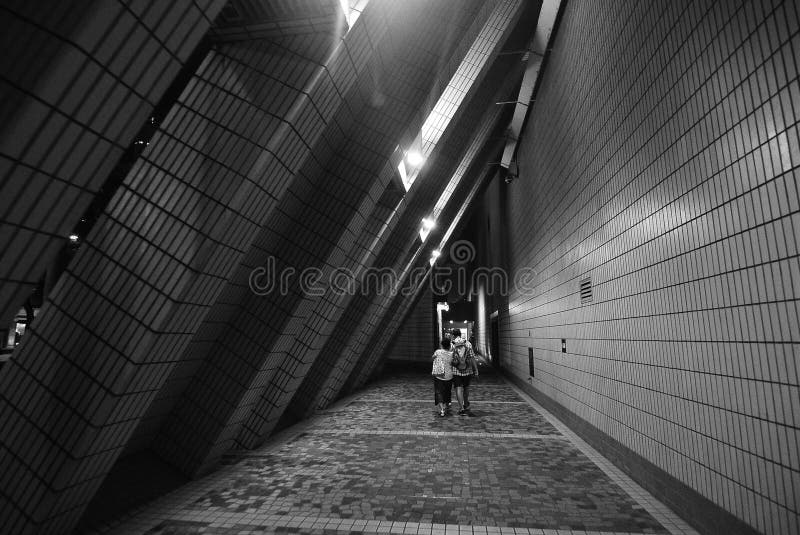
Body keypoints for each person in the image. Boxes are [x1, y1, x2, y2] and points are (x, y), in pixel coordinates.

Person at [450, 329, 479, 415]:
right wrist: (476, 370)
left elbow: (449, 358)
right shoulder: (468, 343)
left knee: (458, 388)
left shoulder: (452, 344)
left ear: (453, 335)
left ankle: (461, 408)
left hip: (456, 371)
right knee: (466, 388)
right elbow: (472, 357)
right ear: (460, 334)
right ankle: (465, 403)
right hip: (468, 370)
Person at [431, 338, 453, 417]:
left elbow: (432, 358)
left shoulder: (438, 352)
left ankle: (442, 410)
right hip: (449, 376)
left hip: (439, 375)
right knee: (447, 392)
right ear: (449, 345)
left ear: (442, 345)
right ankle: (446, 405)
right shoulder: (451, 354)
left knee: (439, 392)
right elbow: (453, 363)